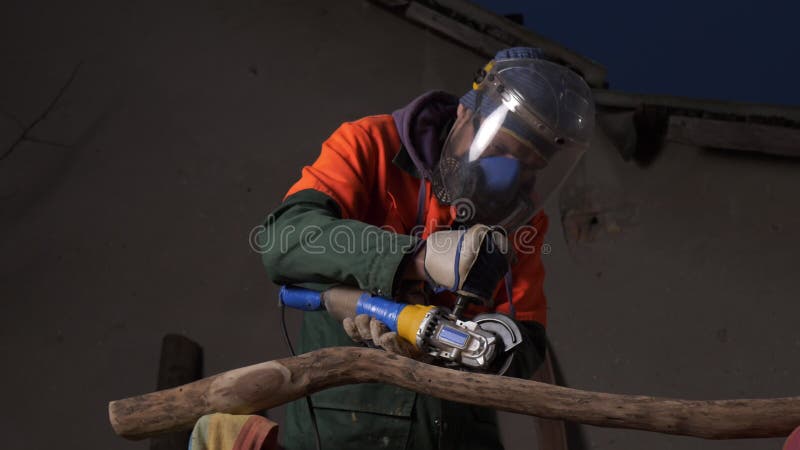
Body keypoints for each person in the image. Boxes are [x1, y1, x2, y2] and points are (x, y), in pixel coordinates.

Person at [259, 47, 595, 450]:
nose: (506, 175)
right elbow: (285, 238)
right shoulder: (371, 144)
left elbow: (527, 334)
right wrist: (417, 259)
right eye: (499, 149)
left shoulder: (521, 214)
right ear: (465, 112)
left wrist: (475, 349)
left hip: (459, 436)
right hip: (346, 430)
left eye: (527, 165)